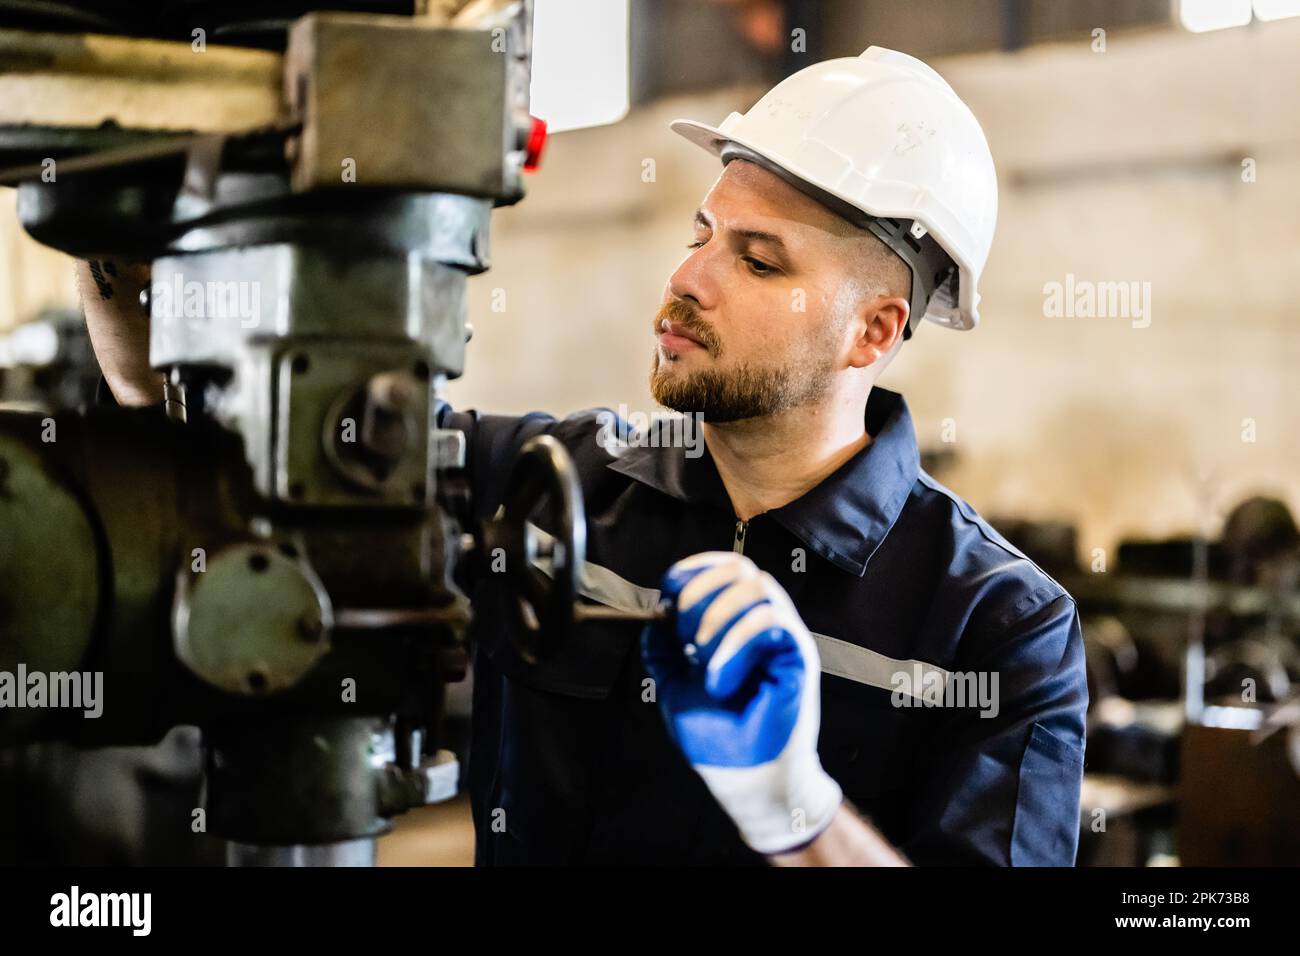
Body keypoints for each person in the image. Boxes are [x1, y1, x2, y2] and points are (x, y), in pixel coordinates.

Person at [82, 47, 1087, 866]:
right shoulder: (541, 483)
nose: (688, 277)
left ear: (872, 330)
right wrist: (113, 233)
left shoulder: (998, 627)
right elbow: (227, 456)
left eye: (758, 258)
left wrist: (798, 813)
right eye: (703, 232)